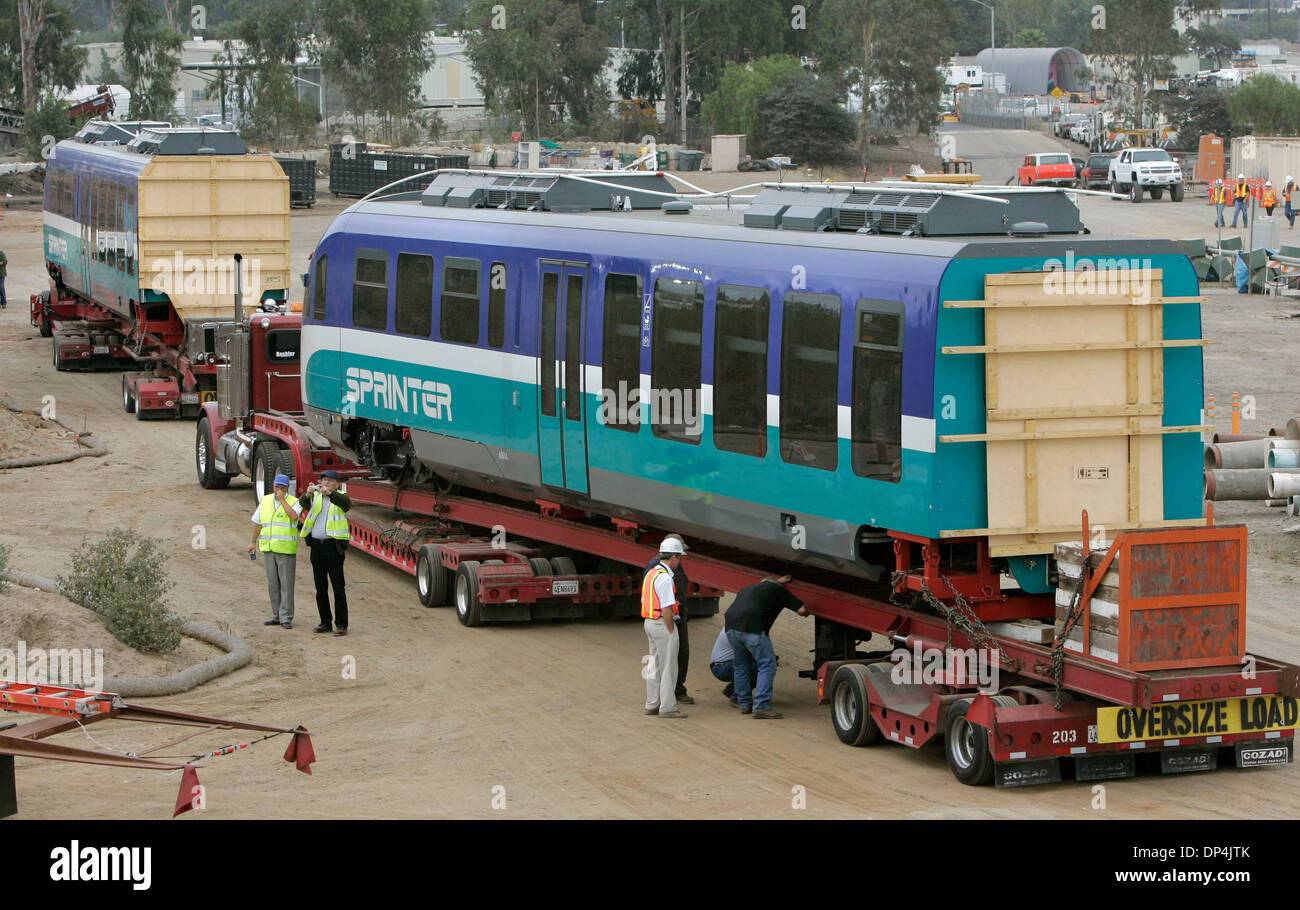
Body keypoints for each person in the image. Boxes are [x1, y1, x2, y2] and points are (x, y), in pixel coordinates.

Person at [724, 576, 810, 719]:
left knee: (741, 665)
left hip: (731, 627)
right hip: (753, 628)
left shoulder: (748, 588)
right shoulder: (778, 590)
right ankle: (761, 706)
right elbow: (801, 610)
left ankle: (743, 703)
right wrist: (808, 612)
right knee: (767, 664)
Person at [297, 470, 352, 636]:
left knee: (338, 587)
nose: (325, 483)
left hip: (333, 548)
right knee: (320, 587)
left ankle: (341, 624)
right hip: (317, 547)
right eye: (323, 480)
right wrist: (307, 494)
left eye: (329, 481)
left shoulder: (341, 496)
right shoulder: (317, 497)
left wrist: (330, 494)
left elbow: (346, 504)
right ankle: (325, 622)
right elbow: (303, 504)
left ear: (336, 484)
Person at [643, 533, 692, 704]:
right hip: (664, 620)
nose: (680, 561)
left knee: (655, 665)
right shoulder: (664, 576)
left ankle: (652, 702)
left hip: (651, 620)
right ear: (673, 556)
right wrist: (671, 630)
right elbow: (666, 607)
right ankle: (668, 706)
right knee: (668, 667)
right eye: (679, 556)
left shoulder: (653, 571)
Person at [248, 473, 302, 628]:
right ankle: (276, 615)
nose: (278, 490)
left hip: (285, 550)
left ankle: (286, 617)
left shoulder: (294, 502)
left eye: (282, 488)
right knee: (273, 584)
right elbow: (258, 522)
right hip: (269, 548)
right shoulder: (265, 501)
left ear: (286, 489)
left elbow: (293, 517)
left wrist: (283, 500)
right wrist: (253, 541)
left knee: (286, 584)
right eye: (276, 486)